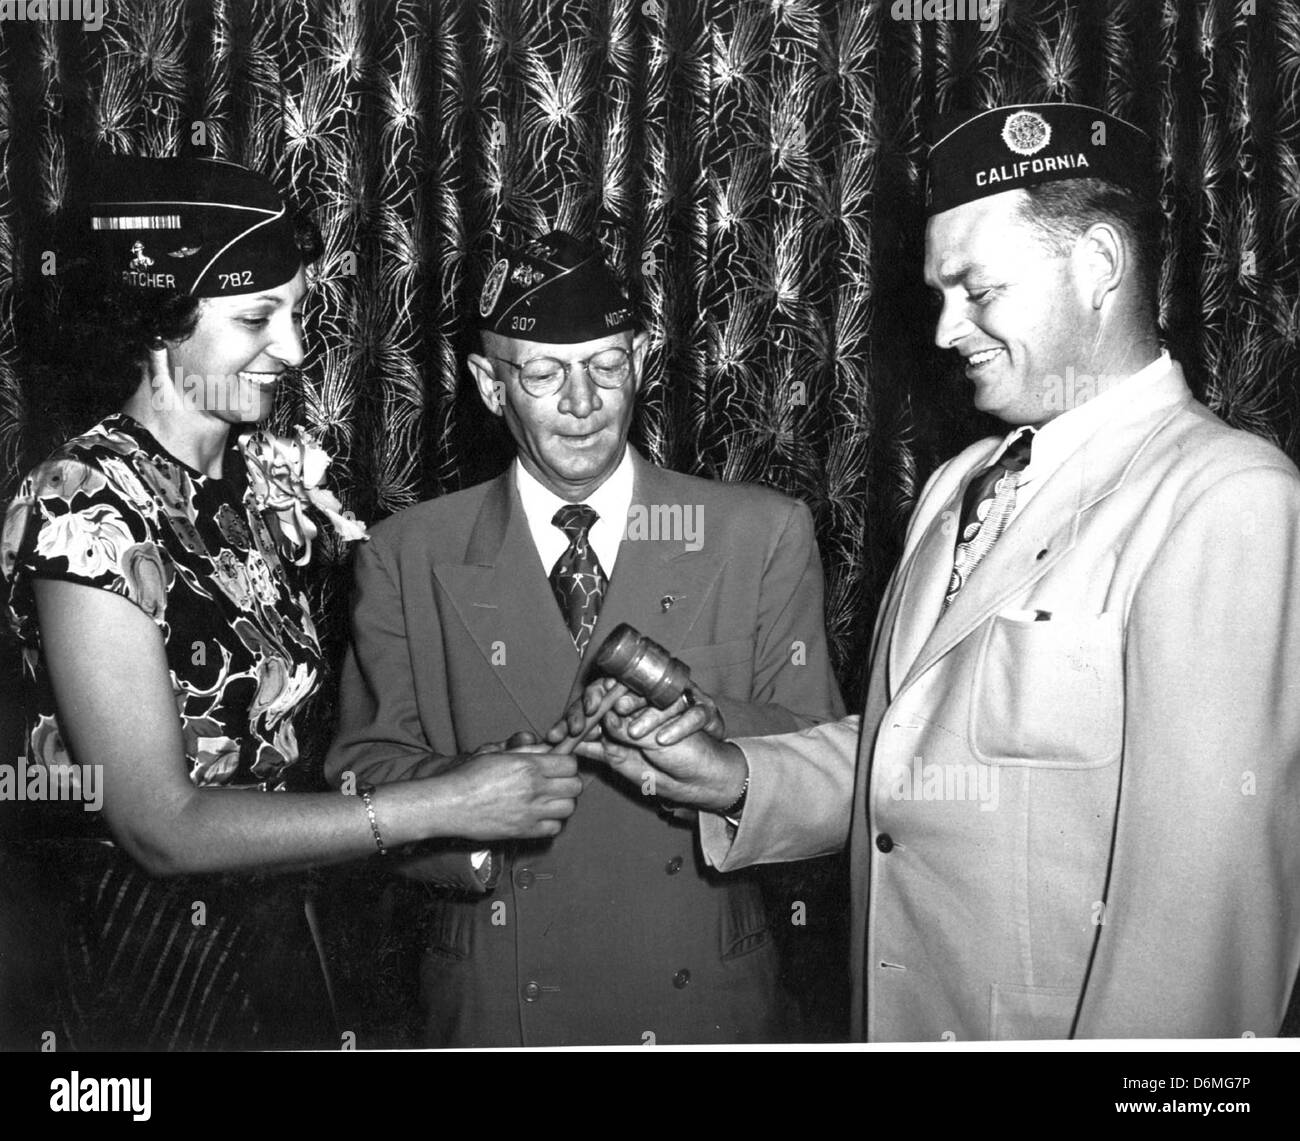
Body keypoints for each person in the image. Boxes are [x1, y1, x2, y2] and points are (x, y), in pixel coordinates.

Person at [559, 103, 1300, 1040]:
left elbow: (1211, 908)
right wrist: (733, 774)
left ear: (1101, 266)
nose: (947, 329)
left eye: (979, 290)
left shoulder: (1223, 496)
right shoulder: (964, 481)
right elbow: (918, 752)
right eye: (941, 293)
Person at [0, 157, 580, 1051]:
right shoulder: (81, 502)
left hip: (279, 934)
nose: (296, 349)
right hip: (149, 962)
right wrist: (443, 807)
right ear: (162, 322)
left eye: (297, 311)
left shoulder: (253, 481)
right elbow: (161, 824)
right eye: (256, 318)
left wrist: (455, 774)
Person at [324, 230, 844, 1047]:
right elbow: (361, 777)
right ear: (490, 387)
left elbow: (829, 763)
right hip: (499, 1004)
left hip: (701, 1001)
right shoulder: (405, 553)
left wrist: (720, 742)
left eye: (606, 365)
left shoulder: (761, 531)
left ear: (640, 359)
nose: (582, 402)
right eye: (541, 373)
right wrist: (471, 801)